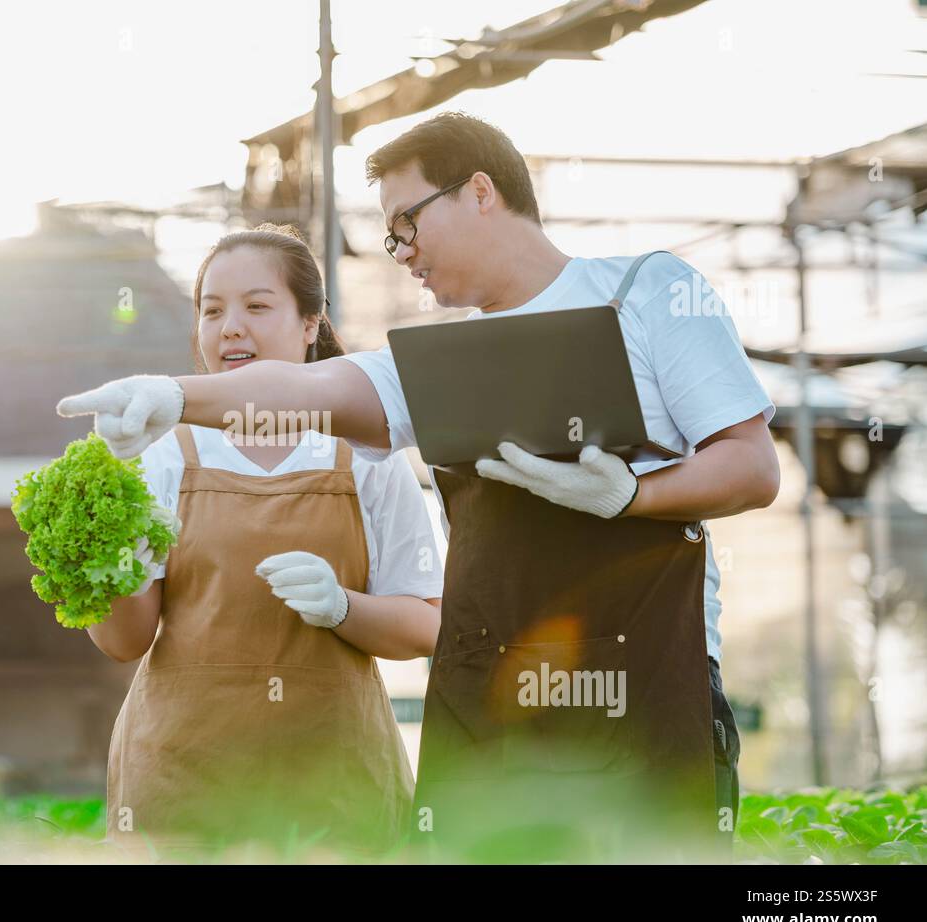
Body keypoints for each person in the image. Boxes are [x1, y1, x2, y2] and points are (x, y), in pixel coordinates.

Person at [60, 113, 779, 862]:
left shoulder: (646, 291)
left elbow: (752, 467)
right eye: (389, 237)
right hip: (488, 699)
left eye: (406, 224)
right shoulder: (437, 367)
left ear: (478, 192)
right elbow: (306, 389)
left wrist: (632, 496)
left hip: (643, 685)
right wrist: (173, 397)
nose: (401, 253)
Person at [87, 223, 443, 859]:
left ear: (311, 324)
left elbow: (425, 626)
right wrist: (115, 562)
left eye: (256, 306)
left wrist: (343, 609)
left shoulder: (367, 453)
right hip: (181, 780)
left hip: (337, 781)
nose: (229, 327)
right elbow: (123, 642)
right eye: (212, 310)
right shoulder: (161, 453)